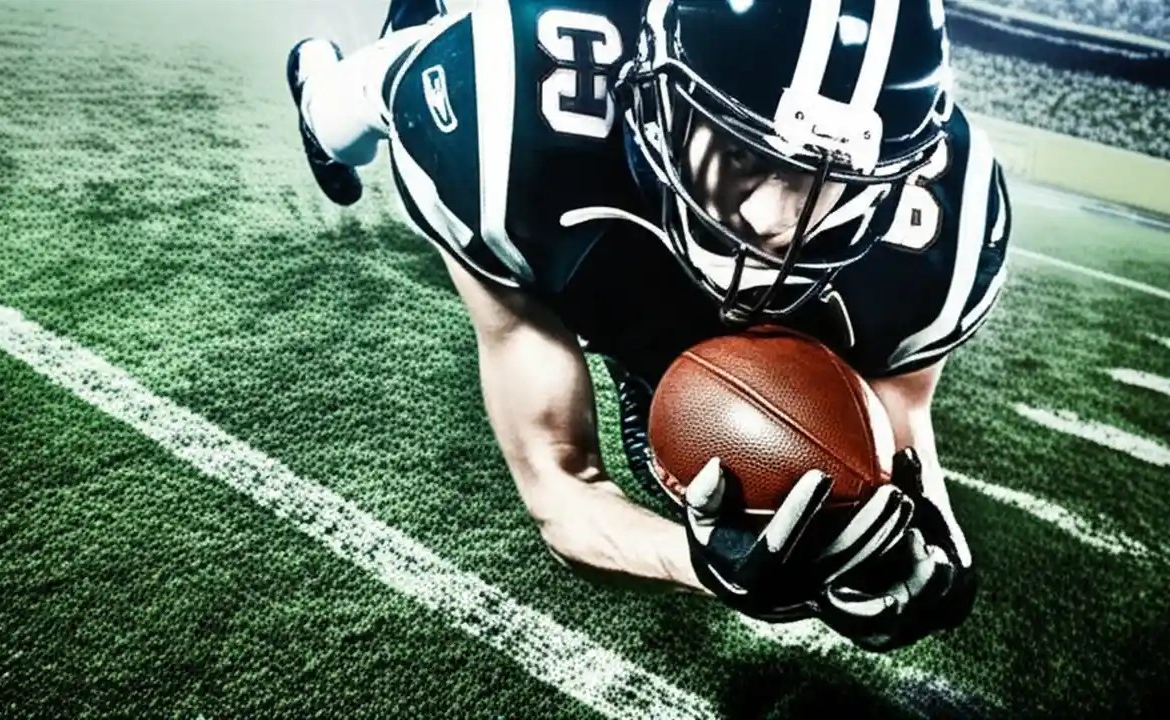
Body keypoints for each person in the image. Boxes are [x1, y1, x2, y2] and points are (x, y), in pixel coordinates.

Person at [285, 0, 1010, 652]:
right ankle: (319, 79)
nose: (774, 223)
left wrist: (933, 553)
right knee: (350, 110)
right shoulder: (506, 97)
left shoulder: (948, 221)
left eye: (835, 181)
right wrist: (696, 564)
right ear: (655, 84)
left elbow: (903, 431)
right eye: (742, 151)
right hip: (462, 29)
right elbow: (558, 481)